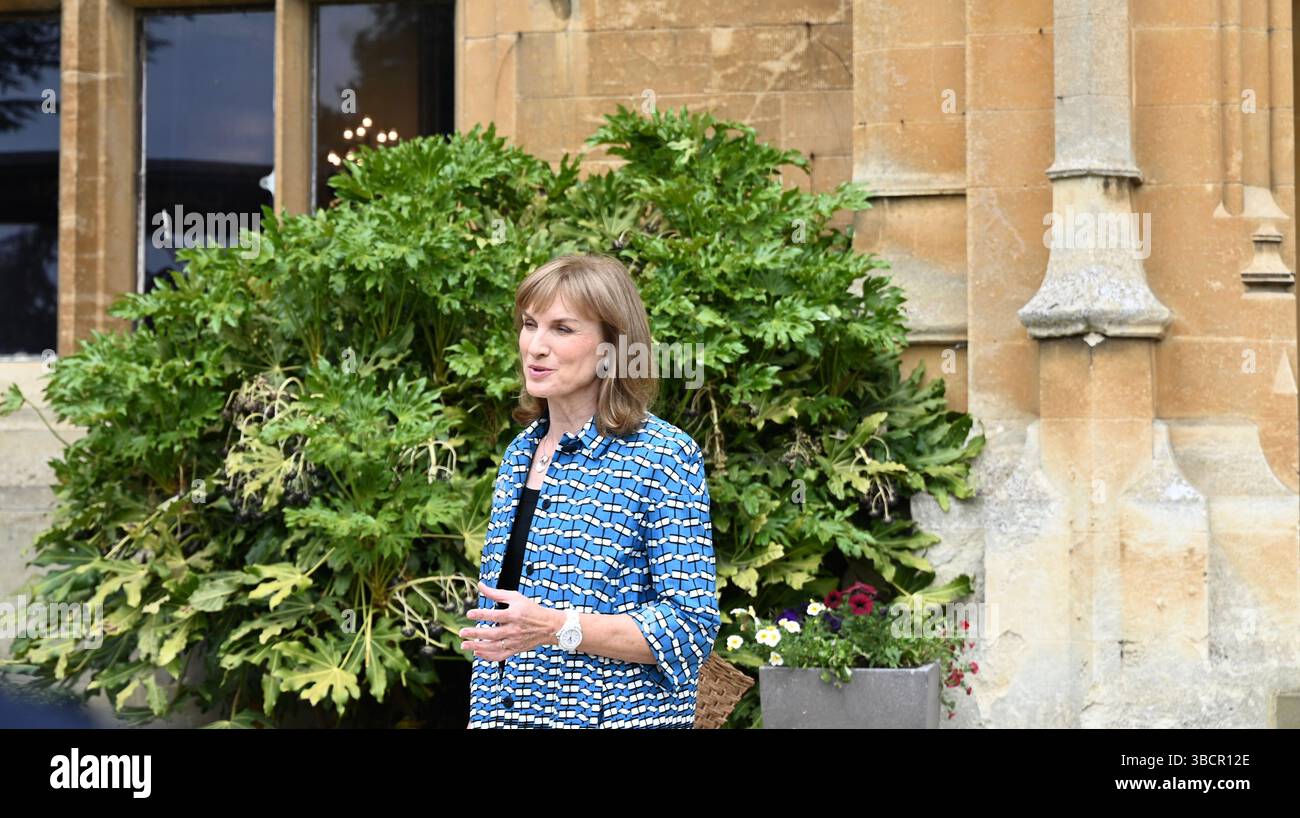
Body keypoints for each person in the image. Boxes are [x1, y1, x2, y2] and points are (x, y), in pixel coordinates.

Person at [461, 253, 720, 728]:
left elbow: (689, 628)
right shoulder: (521, 454)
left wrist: (557, 627)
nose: (535, 346)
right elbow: (503, 628)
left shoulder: (662, 456)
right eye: (529, 324)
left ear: (611, 348)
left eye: (562, 329)